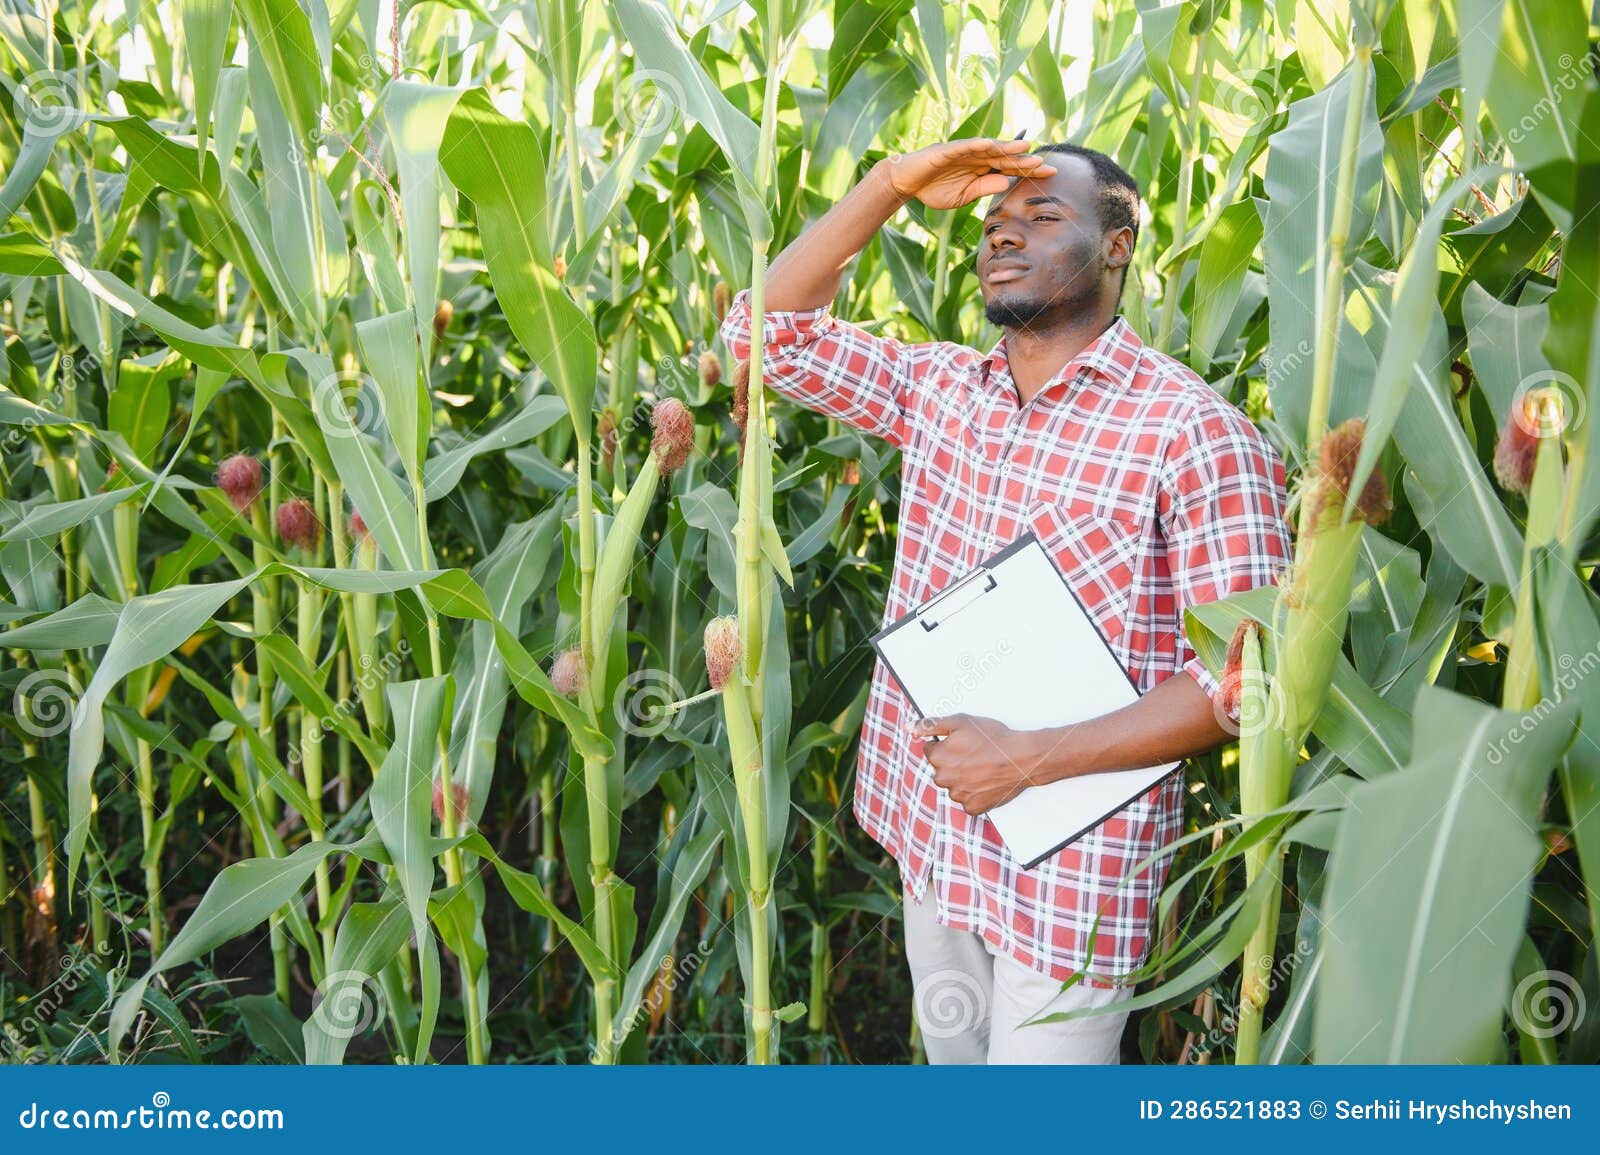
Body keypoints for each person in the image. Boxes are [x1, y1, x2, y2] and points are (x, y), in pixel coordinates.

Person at [718, 138, 1292, 1064]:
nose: (1003, 234)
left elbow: (1244, 688)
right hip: (935, 828)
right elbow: (759, 332)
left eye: (1043, 215)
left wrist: (1028, 760)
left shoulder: (1195, 433)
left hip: (1074, 873)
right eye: (992, 222)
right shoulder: (940, 388)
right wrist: (892, 182)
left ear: (1118, 243)